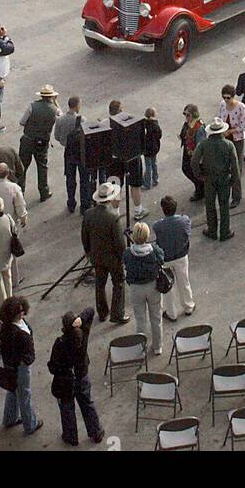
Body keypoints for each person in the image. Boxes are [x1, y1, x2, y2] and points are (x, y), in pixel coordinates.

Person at [47, 308, 105, 445]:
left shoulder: (60, 343)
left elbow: (53, 367)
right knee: (87, 403)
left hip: (65, 381)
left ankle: (71, 436)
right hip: (81, 375)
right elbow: (90, 311)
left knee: (67, 409)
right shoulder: (83, 334)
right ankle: (95, 431)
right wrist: (80, 319)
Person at [81, 182, 130, 325]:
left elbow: (84, 235)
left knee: (100, 284)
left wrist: (88, 251)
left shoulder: (89, 214)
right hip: (113, 258)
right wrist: (122, 257)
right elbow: (119, 242)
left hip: (96, 256)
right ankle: (117, 313)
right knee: (118, 283)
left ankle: (102, 312)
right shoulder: (113, 217)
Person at [0, 296, 43, 436]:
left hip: (10, 366)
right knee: (24, 394)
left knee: (12, 391)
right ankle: (30, 425)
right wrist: (25, 361)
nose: (22, 313)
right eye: (20, 311)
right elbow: (28, 352)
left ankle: (9, 419)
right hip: (20, 367)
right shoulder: (17, 333)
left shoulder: (7, 327)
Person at [191, 119, 238, 242]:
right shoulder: (229, 145)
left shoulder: (203, 144)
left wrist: (199, 175)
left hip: (209, 178)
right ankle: (225, 231)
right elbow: (235, 165)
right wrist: (233, 180)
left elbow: (194, 161)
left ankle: (212, 230)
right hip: (224, 178)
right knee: (224, 206)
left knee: (210, 205)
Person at [122, 223, 165, 355]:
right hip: (153, 286)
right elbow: (162, 259)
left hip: (136, 288)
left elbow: (125, 263)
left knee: (140, 319)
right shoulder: (154, 250)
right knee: (156, 318)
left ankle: (141, 347)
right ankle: (157, 347)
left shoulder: (128, 253)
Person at [154, 196, 195, 320]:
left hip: (166, 259)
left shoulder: (158, 226)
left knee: (168, 286)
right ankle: (188, 306)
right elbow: (187, 235)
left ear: (163, 209)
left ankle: (171, 313)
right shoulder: (184, 221)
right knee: (184, 281)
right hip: (181, 255)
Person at [19, 85, 60, 201]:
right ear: (51, 96)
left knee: (22, 167)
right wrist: (56, 102)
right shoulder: (54, 109)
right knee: (42, 167)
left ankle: (20, 192)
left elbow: (22, 122)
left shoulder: (32, 106)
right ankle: (44, 192)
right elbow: (61, 117)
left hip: (27, 140)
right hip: (42, 142)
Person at [54, 95, 92, 215]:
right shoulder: (82, 120)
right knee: (84, 179)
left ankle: (71, 202)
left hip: (68, 152)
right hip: (81, 153)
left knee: (70, 179)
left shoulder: (60, 120)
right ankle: (84, 205)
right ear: (77, 106)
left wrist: (64, 141)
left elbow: (56, 136)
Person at [219, 85, 245, 206]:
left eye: (228, 98)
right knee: (225, 167)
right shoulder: (222, 105)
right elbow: (220, 119)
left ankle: (236, 196)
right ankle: (225, 194)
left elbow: (243, 126)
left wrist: (230, 131)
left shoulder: (241, 107)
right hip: (225, 140)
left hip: (237, 140)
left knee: (236, 168)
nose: (226, 100)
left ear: (233, 96)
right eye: (224, 97)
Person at [179, 104, 207, 201]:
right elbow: (184, 133)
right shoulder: (187, 124)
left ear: (193, 115)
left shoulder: (199, 127)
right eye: (185, 115)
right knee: (186, 169)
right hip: (187, 151)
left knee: (195, 173)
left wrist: (198, 158)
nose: (186, 117)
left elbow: (200, 145)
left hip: (195, 155)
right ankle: (199, 187)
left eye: (188, 115)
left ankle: (200, 190)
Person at [142, 107, 162, 189]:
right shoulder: (156, 125)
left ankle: (147, 183)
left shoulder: (144, 125)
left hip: (147, 148)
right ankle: (155, 179)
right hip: (155, 147)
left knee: (148, 166)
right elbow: (159, 135)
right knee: (154, 164)